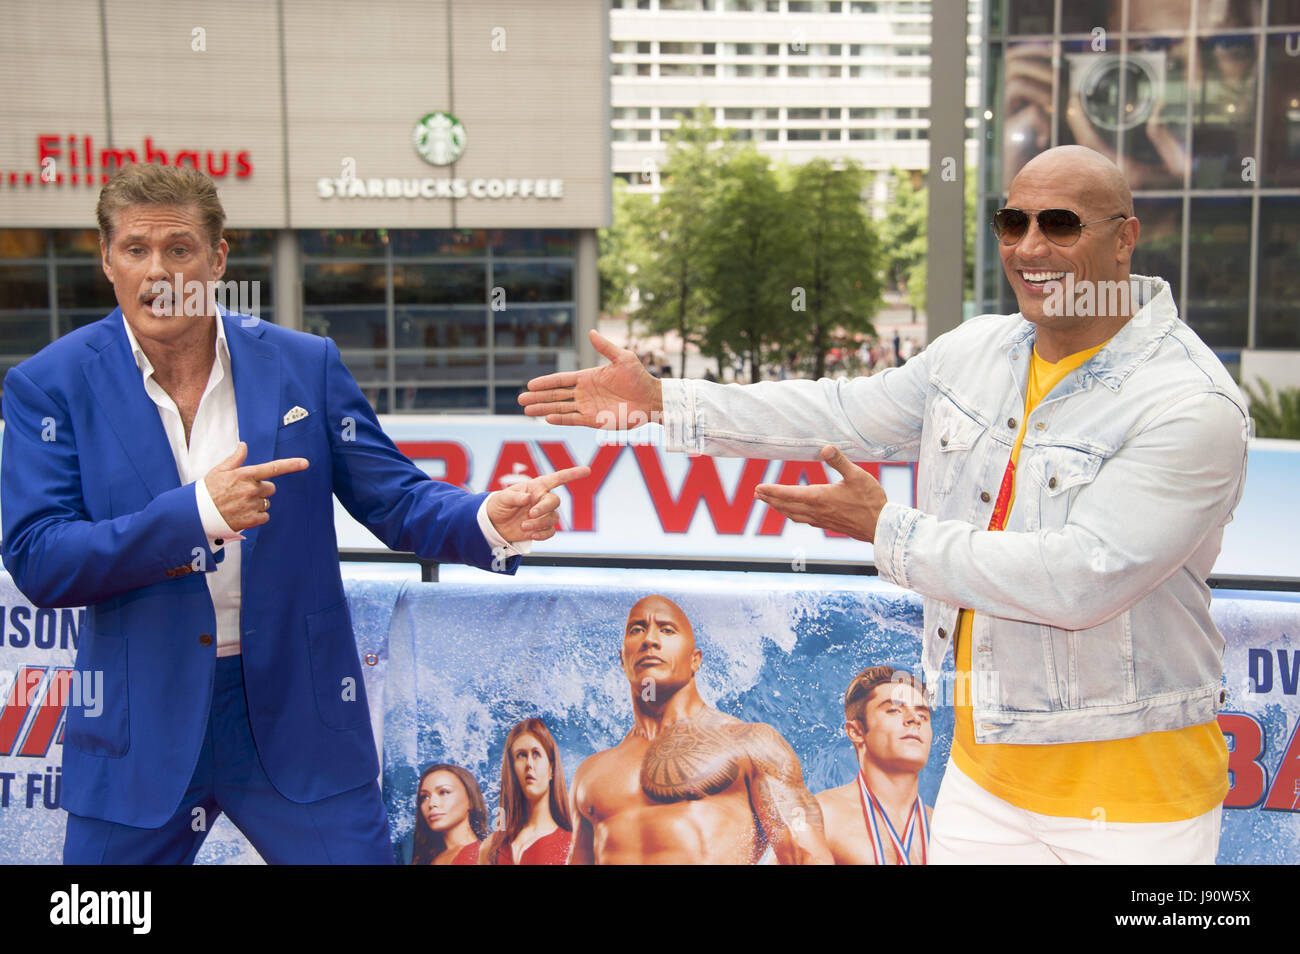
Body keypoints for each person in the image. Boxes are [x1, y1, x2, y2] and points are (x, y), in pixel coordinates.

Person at [520, 145, 1250, 864]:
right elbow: (838, 412)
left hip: (1134, 814)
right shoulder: (976, 353)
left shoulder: (1190, 403)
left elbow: (1080, 578)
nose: (1030, 246)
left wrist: (887, 530)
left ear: (1124, 240)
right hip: (981, 789)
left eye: (1060, 225)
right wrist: (664, 404)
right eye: (1012, 222)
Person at [0, 163, 588, 865]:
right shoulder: (49, 385)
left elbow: (394, 497)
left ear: (217, 259)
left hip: (297, 712)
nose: (158, 271)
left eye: (179, 249)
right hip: (139, 724)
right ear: (107, 259)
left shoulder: (303, 364)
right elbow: (40, 557)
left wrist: (489, 517)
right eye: (135, 249)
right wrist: (195, 514)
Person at [567, 595, 832, 865]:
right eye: (637, 629)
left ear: (695, 660)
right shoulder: (591, 773)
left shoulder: (750, 743)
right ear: (622, 660)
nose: (649, 640)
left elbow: (804, 856)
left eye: (666, 629)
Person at [816, 666, 933, 865]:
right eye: (894, 710)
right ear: (856, 731)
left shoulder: (944, 826)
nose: (914, 720)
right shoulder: (823, 817)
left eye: (923, 716)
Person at [480, 718, 573, 865]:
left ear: (551, 769)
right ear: (512, 769)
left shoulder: (571, 846)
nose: (529, 764)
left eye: (536, 754)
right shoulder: (491, 848)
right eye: (521, 755)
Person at [412, 764, 489, 865]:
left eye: (443, 792)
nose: (431, 804)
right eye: (424, 797)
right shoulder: (427, 858)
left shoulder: (482, 857)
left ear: (470, 800)